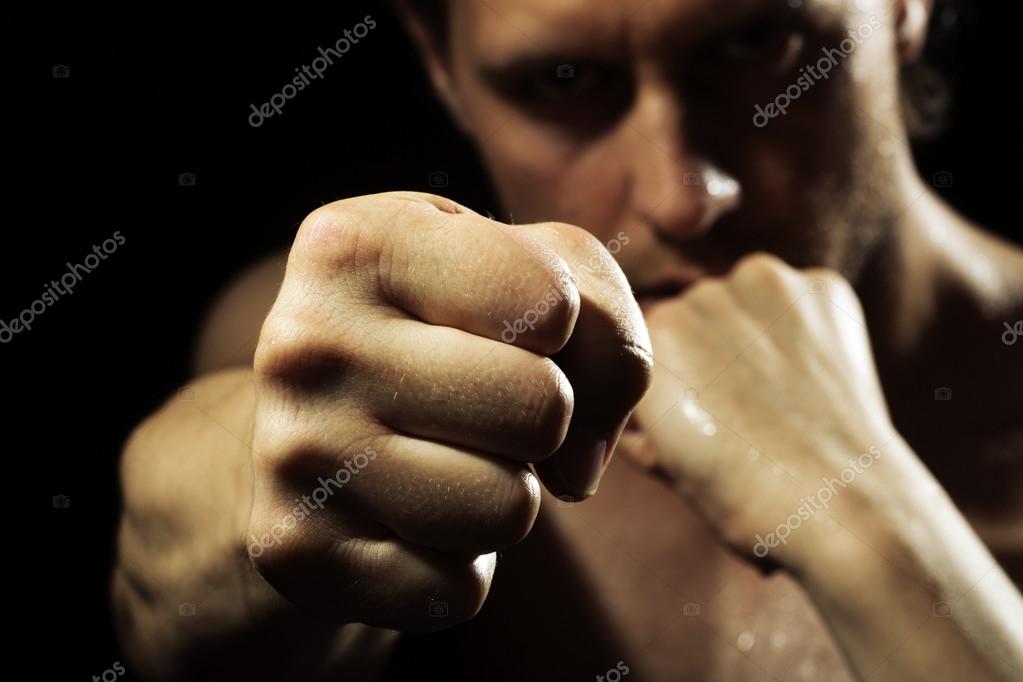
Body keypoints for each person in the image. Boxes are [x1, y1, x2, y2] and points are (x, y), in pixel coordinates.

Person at [112, 1, 1023, 679]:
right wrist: (262, 499)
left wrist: (860, 511)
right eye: (561, 83)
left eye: (752, 43)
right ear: (439, 66)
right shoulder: (352, 347)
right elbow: (179, 587)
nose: (681, 194)